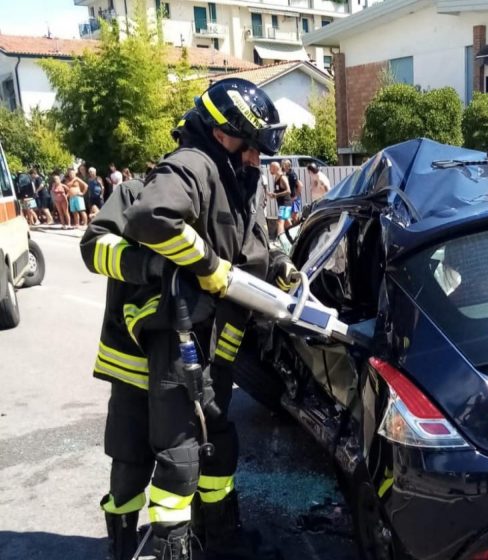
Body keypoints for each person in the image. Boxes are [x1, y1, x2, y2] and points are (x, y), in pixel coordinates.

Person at [80, 78, 297, 560]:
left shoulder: (235, 188)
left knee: (216, 443)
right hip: (158, 350)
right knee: (156, 456)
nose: (256, 159)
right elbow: (100, 245)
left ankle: (218, 539)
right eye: (251, 147)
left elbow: (249, 251)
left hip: (211, 352)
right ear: (222, 134)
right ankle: (146, 546)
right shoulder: (178, 175)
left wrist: (281, 268)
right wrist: (160, 266)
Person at [266, 161, 292, 251]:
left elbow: (288, 191)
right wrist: (272, 194)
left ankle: (282, 244)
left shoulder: (282, 177)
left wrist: (276, 195)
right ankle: (293, 239)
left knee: (280, 223)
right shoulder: (276, 178)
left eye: (270, 168)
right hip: (282, 204)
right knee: (288, 223)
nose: (269, 170)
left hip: (285, 204)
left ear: (275, 168)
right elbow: (279, 191)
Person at [281, 159, 303, 225]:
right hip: (290, 197)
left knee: (294, 215)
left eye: (284, 165)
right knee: (290, 216)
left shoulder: (292, 174)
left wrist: (295, 196)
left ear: (288, 166)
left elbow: (300, 185)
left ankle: (297, 228)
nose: (283, 166)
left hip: (294, 198)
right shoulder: (287, 174)